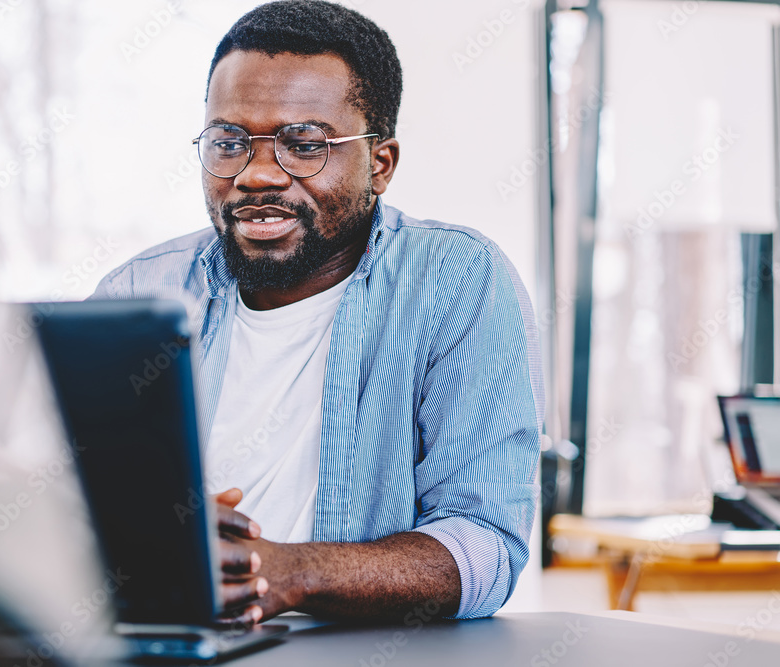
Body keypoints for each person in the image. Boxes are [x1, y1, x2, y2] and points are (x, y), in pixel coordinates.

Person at [91, 0, 543, 624]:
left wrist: (284, 572)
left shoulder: (455, 283)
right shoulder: (139, 294)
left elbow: (486, 546)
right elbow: (60, 508)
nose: (255, 176)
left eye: (302, 145)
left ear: (379, 165)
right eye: (229, 143)